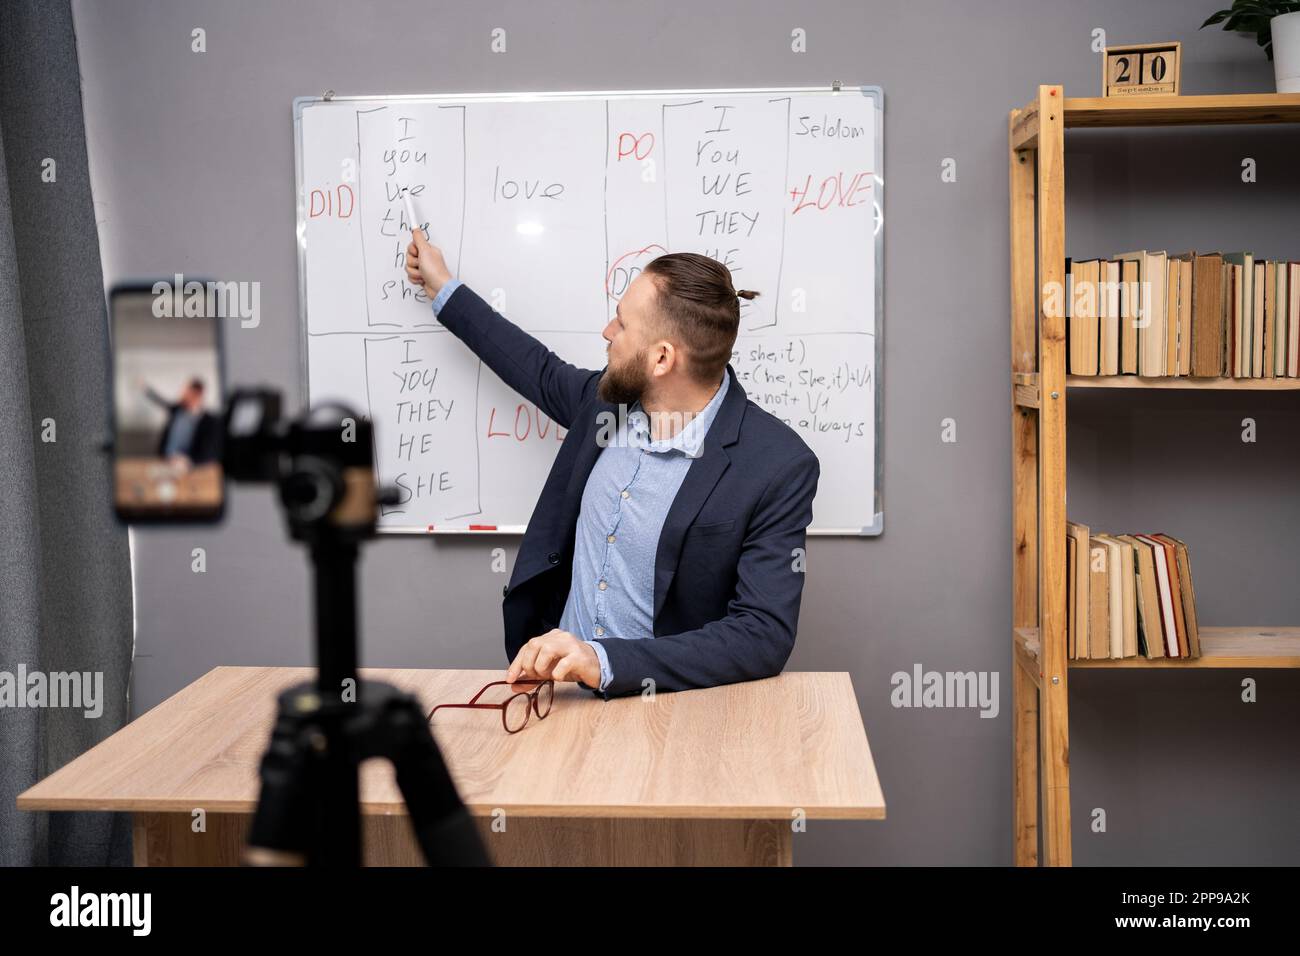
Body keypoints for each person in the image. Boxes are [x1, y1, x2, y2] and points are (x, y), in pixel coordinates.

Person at [405, 231, 820, 699]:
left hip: (660, 710)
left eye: (622, 325)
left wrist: (603, 662)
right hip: (554, 698)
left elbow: (762, 635)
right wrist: (443, 288)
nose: (607, 332)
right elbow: (533, 367)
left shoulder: (777, 465)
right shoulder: (605, 404)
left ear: (662, 358)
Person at [143, 378, 221, 468]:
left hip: (187, 468)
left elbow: (209, 452)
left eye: (187, 392)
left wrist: (189, 461)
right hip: (165, 461)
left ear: (197, 394)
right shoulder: (177, 410)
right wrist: (146, 389)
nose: (182, 394)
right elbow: (161, 401)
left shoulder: (209, 421)